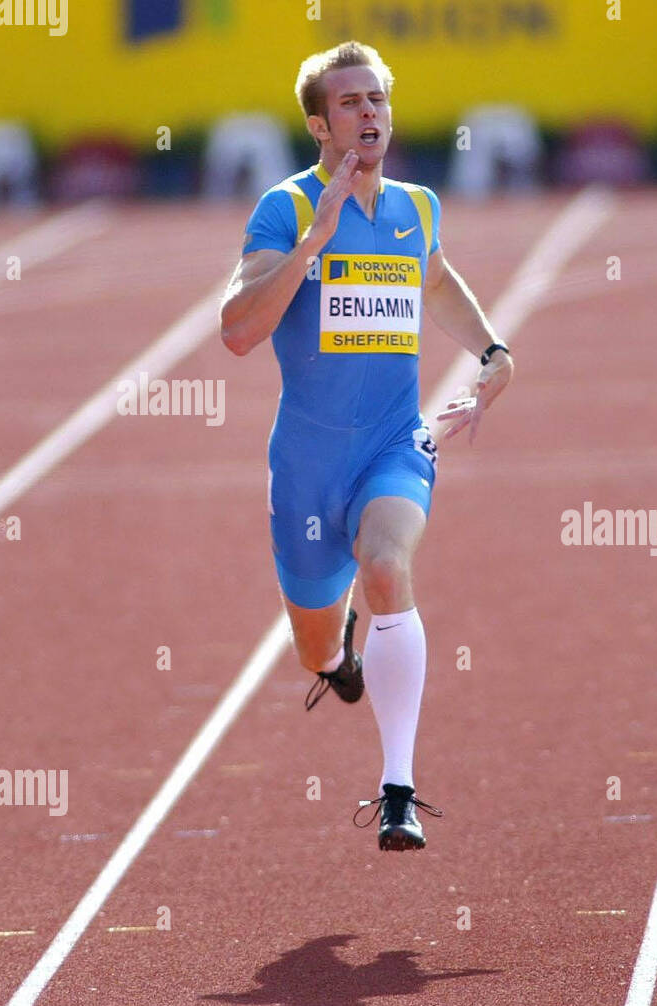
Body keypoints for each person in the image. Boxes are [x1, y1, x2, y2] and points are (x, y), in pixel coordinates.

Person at [220, 41, 513, 851]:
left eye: (376, 99)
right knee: (315, 645)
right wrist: (314, 242)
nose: (369, 114)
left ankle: (397, 790)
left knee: (388, 567)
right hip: (307, 466)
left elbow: (437, 278)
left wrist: (493, 352)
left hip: (393, 441)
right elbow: (238, 332)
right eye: (349, 104)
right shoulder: (284, 209)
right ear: (318, 124)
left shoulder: (417, 207)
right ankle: (336, 656)